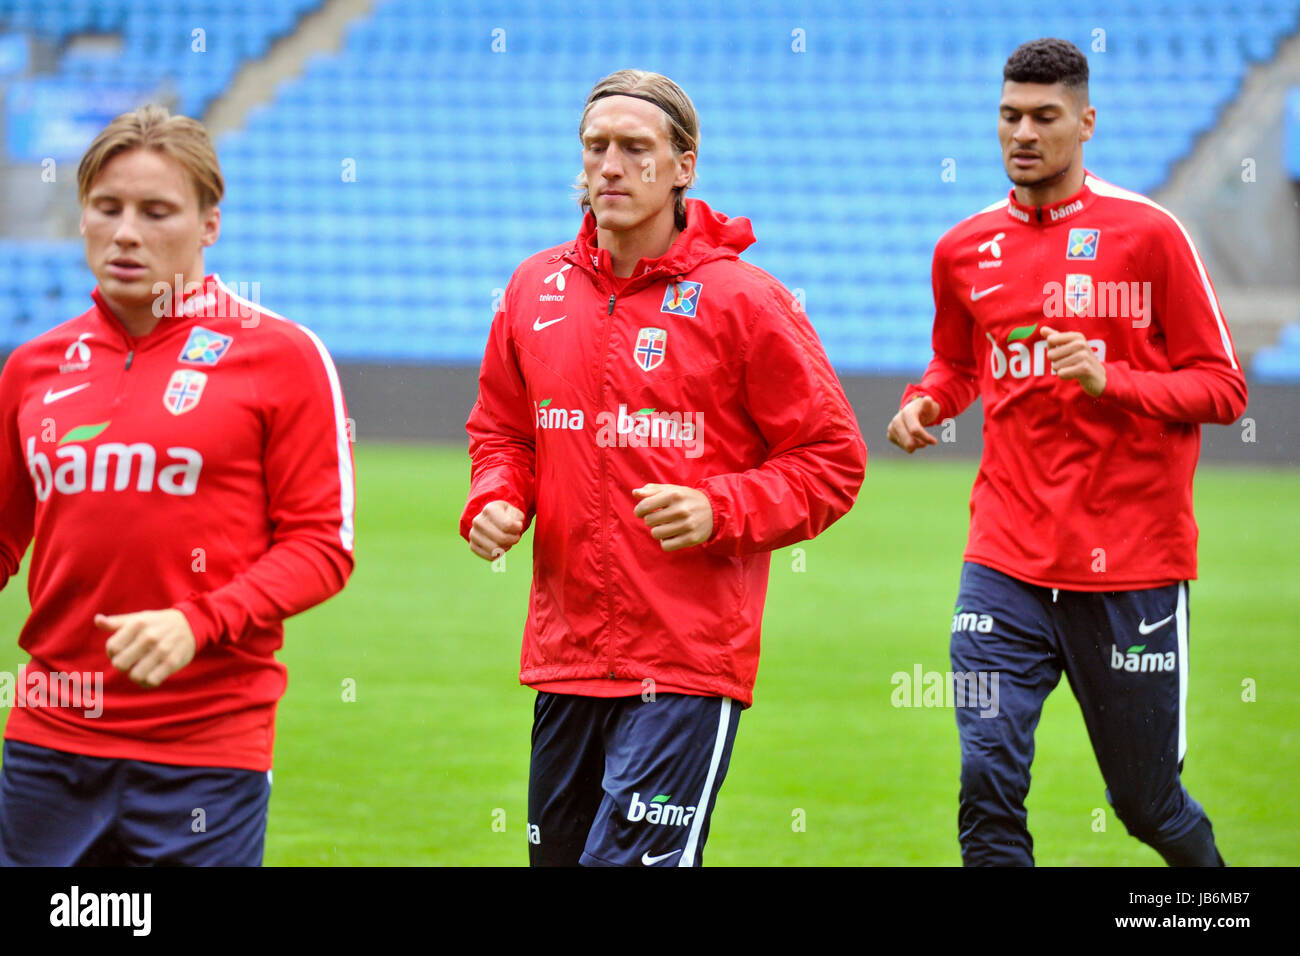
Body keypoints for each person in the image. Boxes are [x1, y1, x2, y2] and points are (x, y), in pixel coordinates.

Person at [461, 69, 867, 867]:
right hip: (566, 656)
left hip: (685, 663)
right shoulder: (533, 287)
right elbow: (504, 431)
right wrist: (496, 496)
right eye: (595, 147)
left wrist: (723, 508)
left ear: (684, 166)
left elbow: (832, 461)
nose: (609, 166)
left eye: (634, 149)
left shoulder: (746, 302)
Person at [887, 38, 1247, 866]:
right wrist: (925, 402)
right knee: (986, 782)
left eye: (1045, 117)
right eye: (1010, 115)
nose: (1024, 132)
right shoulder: (963, 250)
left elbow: (1223, 389)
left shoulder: (1149, 237)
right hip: (1003, 562)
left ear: (1086, 122)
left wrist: (1112, 380)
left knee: (1148, 806)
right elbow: (958, 360)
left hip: (1131, 573)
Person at [0, 104, 355, 865]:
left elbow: (323, 546)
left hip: (206, 747)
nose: (127, 232)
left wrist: (199, 621)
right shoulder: (31, 367)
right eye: (108, 207)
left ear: (208, 224)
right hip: (48, 739)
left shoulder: (282, 357)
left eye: (157, 211)